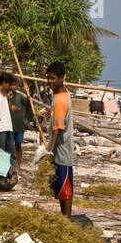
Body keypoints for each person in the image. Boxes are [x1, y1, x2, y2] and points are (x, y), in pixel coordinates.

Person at [46, 61, 74, 217]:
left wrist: (50, 153)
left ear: (62, 78)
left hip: (61, 150)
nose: (50, 82)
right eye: (49, 78)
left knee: (65, 187)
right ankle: (64, 216)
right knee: (61, 186)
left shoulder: (59, 100)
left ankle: (67, 219)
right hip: (62, 149)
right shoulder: (63, 94)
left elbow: (57, 129)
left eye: (53, 78)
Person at [7, 78, 33, 171]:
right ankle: (9, 167)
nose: (14, 87)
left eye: (15, 85)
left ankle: (18, 166)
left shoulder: (19, 96)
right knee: (9, 147)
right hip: (8, 126)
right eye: (12, 85)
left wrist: (28, 93)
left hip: (19, 126)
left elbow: (29, 105)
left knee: (18, 147)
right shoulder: (5, 96)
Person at [0, 71, 17, 167]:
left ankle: (13, 174)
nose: (9, 87)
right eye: (9, 84)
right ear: (4, 82)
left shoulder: (5, 95)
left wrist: (10, 99)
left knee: (11, 154)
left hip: (8, 127)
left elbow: (8, 109)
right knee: (0, 154)